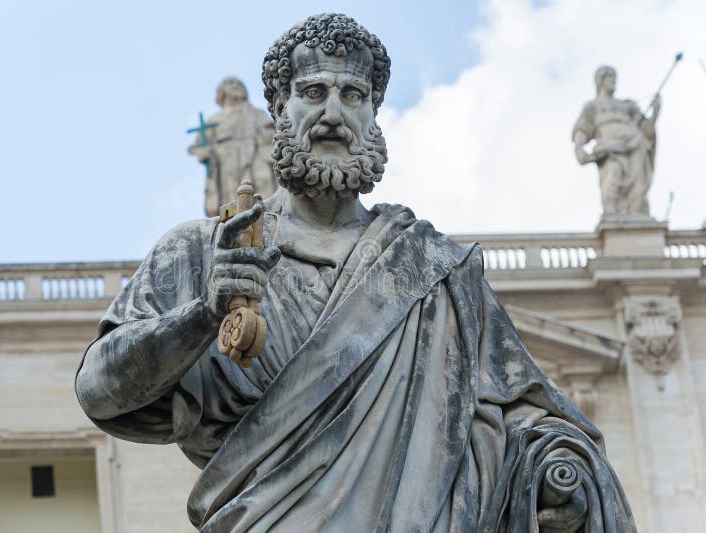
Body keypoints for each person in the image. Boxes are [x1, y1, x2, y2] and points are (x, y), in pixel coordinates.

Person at [77, 14, 635, 532]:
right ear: (278, 108)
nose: (334, 114)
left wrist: (553, 473)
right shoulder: (200, 252)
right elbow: (100, 389)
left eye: (355, 96)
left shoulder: (433, 270)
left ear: (373, 114)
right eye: (314, 92)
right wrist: (204, 315)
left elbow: (521, 417)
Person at [573, 65, 660, 218]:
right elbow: (582, 131)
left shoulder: (627, 105)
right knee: (612, 181)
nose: (614, 81)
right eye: (610, 77)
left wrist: (655, 112)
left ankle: (636, 218)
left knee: (637, 188)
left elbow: (646, 131)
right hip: (610, 151)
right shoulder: (593, 107)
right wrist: (579, 149)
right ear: (600, 80)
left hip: (635, 146)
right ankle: (614, 219)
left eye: (615, 77)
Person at [189, 77, 277, 217]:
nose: (235, 86)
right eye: (230, 84)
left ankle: (265, 216)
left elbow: (273, 136)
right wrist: (205, 153)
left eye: (238, 83)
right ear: (221, 92)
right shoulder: (216, 119)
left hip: (254, 154)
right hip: (227, 158)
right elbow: (199, 145)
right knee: (231, 192)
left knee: (260, 189)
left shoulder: (257, 114)